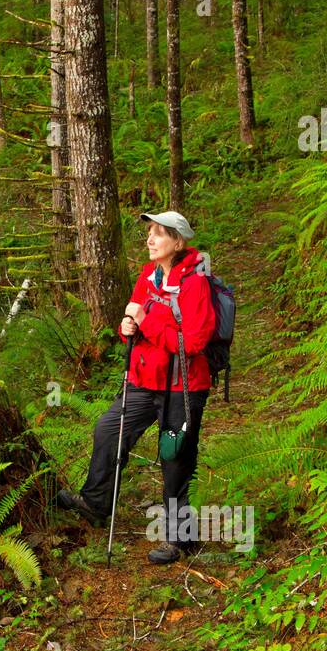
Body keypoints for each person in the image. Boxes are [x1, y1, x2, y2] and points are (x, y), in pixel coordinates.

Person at [56, 211, 217, 565]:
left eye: (158, 234)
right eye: (149, 232)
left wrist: (146, 322)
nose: (150, 239)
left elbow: (193, 342)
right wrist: (127, 327)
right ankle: (97, 503)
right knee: (108, 429)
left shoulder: (196, 283)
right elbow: (133, 320)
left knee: (175, 458)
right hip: (144, 380)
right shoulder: (148, 276)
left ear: (177, 242)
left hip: (183, 385)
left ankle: (179, 538)